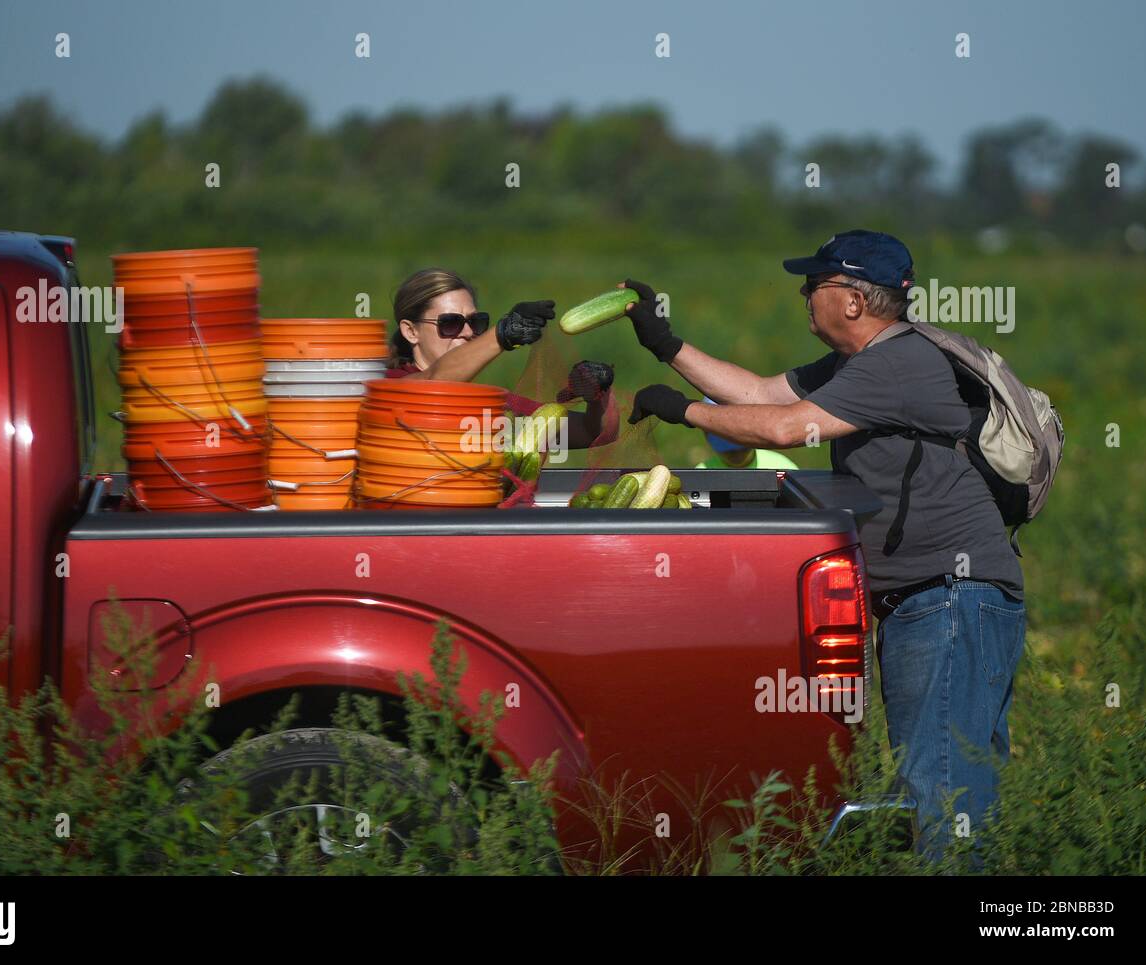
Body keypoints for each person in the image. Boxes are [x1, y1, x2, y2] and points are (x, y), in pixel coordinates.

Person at [623, 231, 1025, 861]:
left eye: (815, 285)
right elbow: (758, 393)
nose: (805, 296)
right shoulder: (858, 363)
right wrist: (665, 345)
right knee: (952, 791)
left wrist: (685, 414)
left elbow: (787, 427)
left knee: (944, 798)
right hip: (929, 599)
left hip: (950, 598)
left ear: (854, 301)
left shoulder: (898, 363)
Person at [387, 267, 617, 449]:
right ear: (411, 331)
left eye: (476, 322)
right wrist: (501, 335)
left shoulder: (490, 406)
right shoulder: (386, 385)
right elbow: (427, 389)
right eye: (451, 323)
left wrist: (596, 394)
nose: (467, 333)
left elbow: (595, 433)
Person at [695, 396, 799, 470]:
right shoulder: (702, 474)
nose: (736, 454)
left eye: (742, 448)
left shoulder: (782, 468)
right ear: (706, 434)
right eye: (727, 450)